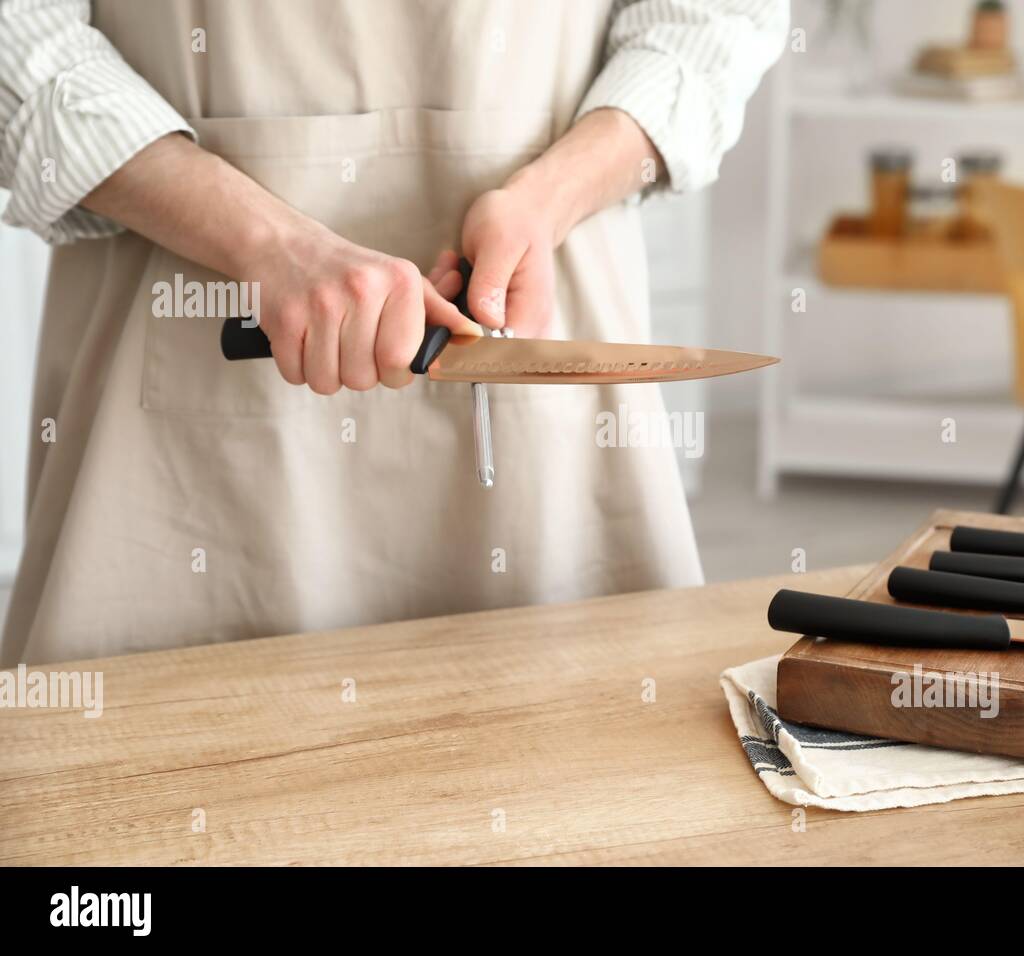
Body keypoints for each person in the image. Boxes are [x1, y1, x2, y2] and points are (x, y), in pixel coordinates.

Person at [0, 0, 788, 665]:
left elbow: (716, 18)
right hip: (183, 365)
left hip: (539, 305)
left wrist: (551, 196)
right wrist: (268, 244)